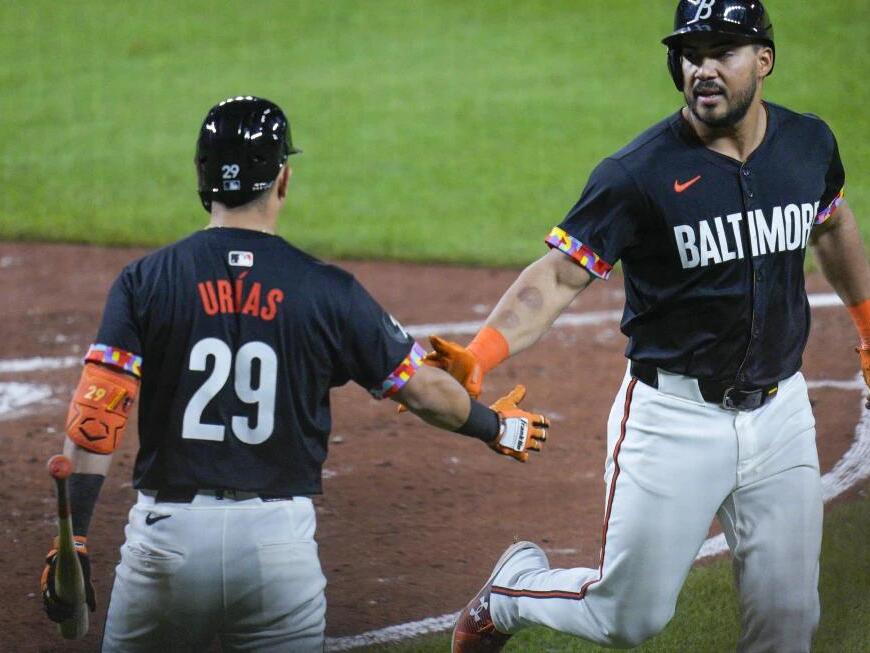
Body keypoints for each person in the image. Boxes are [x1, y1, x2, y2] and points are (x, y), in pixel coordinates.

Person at [39, 95, 550, 652]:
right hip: (277, 549)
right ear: (283, 179)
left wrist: (77, 539)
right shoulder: (327, 290)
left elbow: (96, 419)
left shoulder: (145, 281)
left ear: (201, 176)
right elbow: (425, 392)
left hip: (166, 545)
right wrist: (496, 427)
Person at [443, 2, 870, 652]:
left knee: (788, 627)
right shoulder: (638, 174)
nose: (703, 68)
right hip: (674, 421)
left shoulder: (807, 145)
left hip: (781, 416)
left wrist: (869, 326)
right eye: (691, 53)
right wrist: (480, 353)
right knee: (626, 616)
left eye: (722, 51)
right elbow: (559, 276)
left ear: (764, 60)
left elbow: (833, 224)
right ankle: (510, 592)